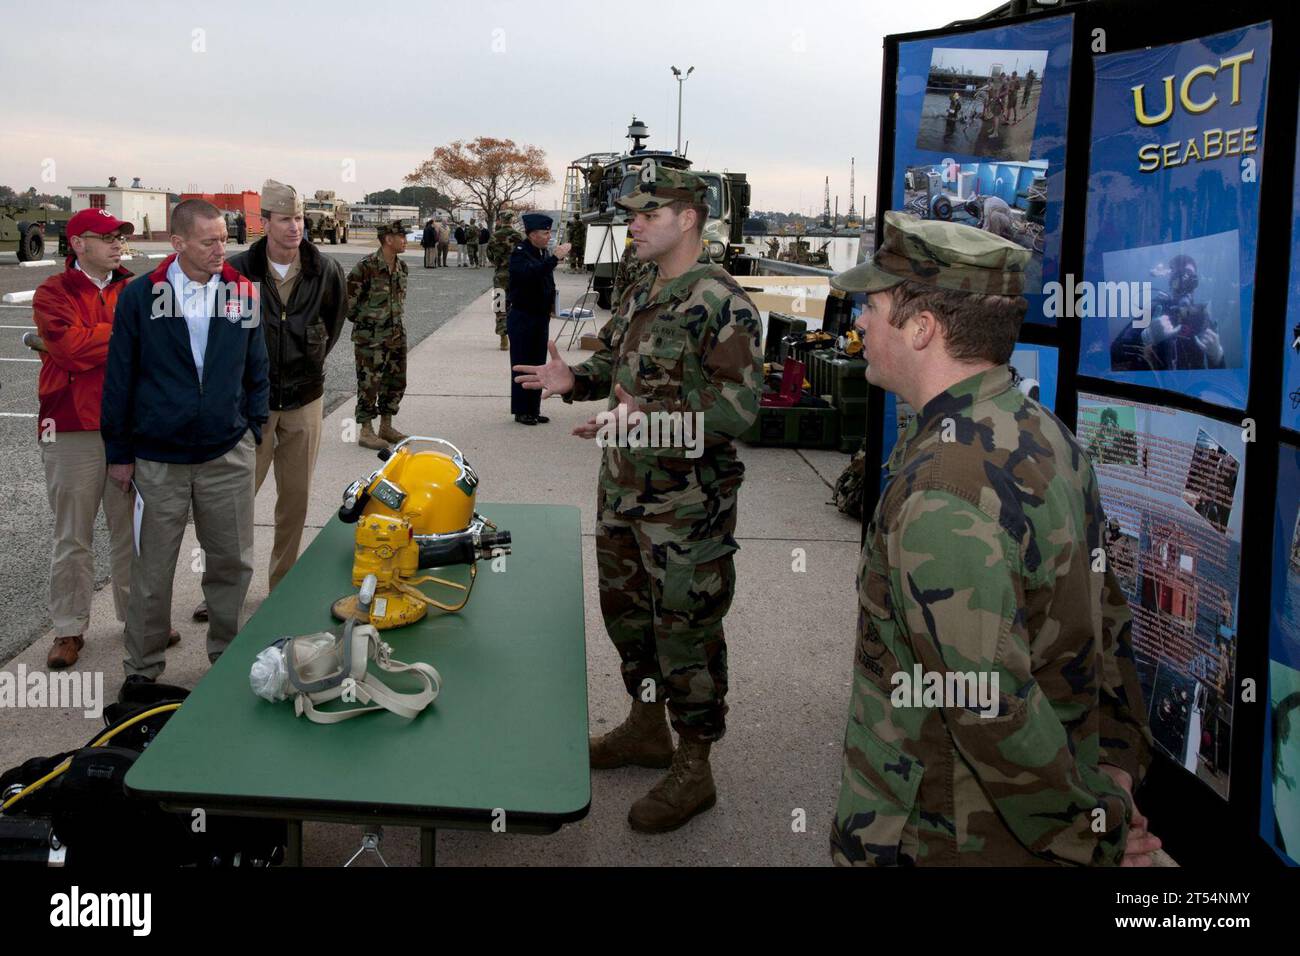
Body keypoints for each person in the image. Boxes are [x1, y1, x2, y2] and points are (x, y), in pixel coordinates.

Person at [826, 211, 1158, 866]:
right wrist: (1116, 763)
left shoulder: (942, 490)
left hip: (943, 838)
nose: (858, 322)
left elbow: (989, 708)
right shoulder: (1044, 433)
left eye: (873, 303)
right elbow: (1107, 617)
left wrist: (1094, 832)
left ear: (922, 327)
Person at [512, 167, 763, 832]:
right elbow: (620, 367)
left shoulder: (722, 301)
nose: (633, 224)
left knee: (687, 632)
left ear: (688, 217)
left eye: (648, 214)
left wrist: (647, 415)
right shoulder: (641, 283)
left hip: (686, 511)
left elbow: (738, 413)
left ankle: (695, 764)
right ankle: (646, 727)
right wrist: (576, 380)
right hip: (623, 493)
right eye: (632, 215)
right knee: (629, 622)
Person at [101, 199, 268, 683]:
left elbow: (257, 368)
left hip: (226, 452)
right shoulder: (140, 296)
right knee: (151, 572)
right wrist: (119, 452)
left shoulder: (241, 292)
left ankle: (228, 657)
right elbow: (120, 377)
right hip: (158, 460)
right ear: (177, 243)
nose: (223, 249)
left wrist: (251, 428)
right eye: (209, 240)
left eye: (225, 237)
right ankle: (143, 667)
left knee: (231, 564)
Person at [32, 209, 181, 668]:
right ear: (77, 244)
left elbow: (154, 347)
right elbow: (71, 352)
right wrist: (123, 334)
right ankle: (69, 628)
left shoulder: (136, 288)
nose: (118, 243)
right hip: (71, 427)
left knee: (132, 533)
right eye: (106, 237)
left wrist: (103, 339)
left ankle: (138, 620)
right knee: (72, 535)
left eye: (120, 236)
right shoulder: (52, 292)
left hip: (127, 429)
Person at [226, 179, 347, 592]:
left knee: (294, 501)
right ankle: (226, 588)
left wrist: (306, 362)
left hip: (304, 400)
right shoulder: (239, 271)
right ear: (265, 222)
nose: (295, 227)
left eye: (298, 218)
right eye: (285, 219)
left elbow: (331, 326)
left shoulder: (325, 270)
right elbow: (225, 333)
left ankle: (281, 586)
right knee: (235, 502)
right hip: (251, 405)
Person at [346, 220, 410, 451]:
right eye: (401, 236)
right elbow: (348, 304)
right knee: (368, 383)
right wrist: (369, 324)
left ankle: (386, 426)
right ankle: (365, 430)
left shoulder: (402, 267)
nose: (404, 240)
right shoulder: (366, 267)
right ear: (388, 239)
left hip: (396, 334)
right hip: (370, 338)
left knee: (395, 381)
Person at [506, 214, 570, 425]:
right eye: (545, 233)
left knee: (538, 364)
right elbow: (529, 275)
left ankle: (533, 408)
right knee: (522, 363)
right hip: (523, 316)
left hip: (539, 317)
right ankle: (521, 410)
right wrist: (554, 259)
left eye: (549, 232)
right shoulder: (520, 253)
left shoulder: (541, 253)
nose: (548, 236)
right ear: (532, 235)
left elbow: (544, 281)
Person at [1110, 254, 1222, 372]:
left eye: (1190, 278)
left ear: (1195, 283)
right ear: (1171, 283)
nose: (1184, 284)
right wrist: (1146, 338)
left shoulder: (1201, 317)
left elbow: (1219, 378)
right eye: (1178, 278)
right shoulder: (1155, 309)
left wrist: (1217, 357)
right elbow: (1114, 356)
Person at [487, 210, 523, 351]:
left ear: (501, 220)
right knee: (516, 306)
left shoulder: (494, 236)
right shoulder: (519, 236)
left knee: (500, 305)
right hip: (517, 276)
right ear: (512, 220)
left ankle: (503, 336)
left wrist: (498, 263)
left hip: (500, 275)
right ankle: (516, 335)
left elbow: (489, 255)